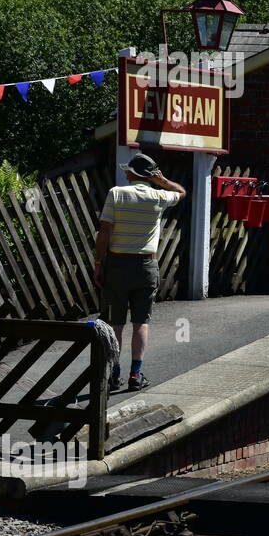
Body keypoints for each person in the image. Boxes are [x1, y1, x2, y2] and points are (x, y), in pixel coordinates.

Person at [94, 153, 187, 391]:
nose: (125, 173)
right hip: (146, 266)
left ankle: (114, 373)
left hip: (117, 266)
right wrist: (163, 181)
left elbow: (104, 232)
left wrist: (98, 264)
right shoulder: (159, 196)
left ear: (134, 173)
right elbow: (181, 192)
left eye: (129, 170)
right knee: (141, 322)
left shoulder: (116, 194)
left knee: (115, 323)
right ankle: (136, 374)